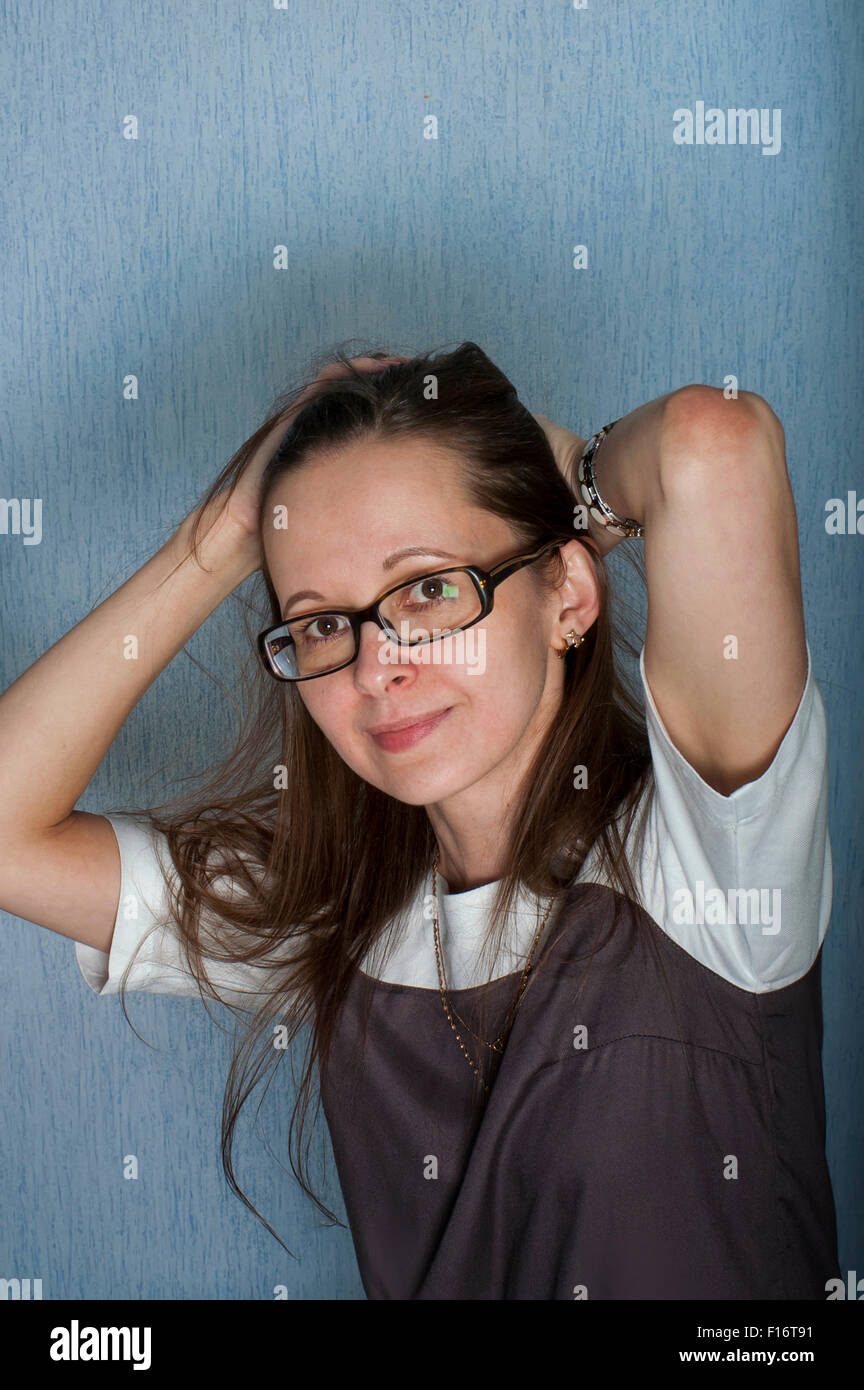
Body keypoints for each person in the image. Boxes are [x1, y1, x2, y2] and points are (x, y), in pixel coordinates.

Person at [0, 341, 840, 1300]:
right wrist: (236, 524)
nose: (376, 668)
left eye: (431, 588)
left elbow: (713, 441)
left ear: (567, 593)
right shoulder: (332, 915)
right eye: (321, 620)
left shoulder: (711, 859)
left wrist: (550, 476)